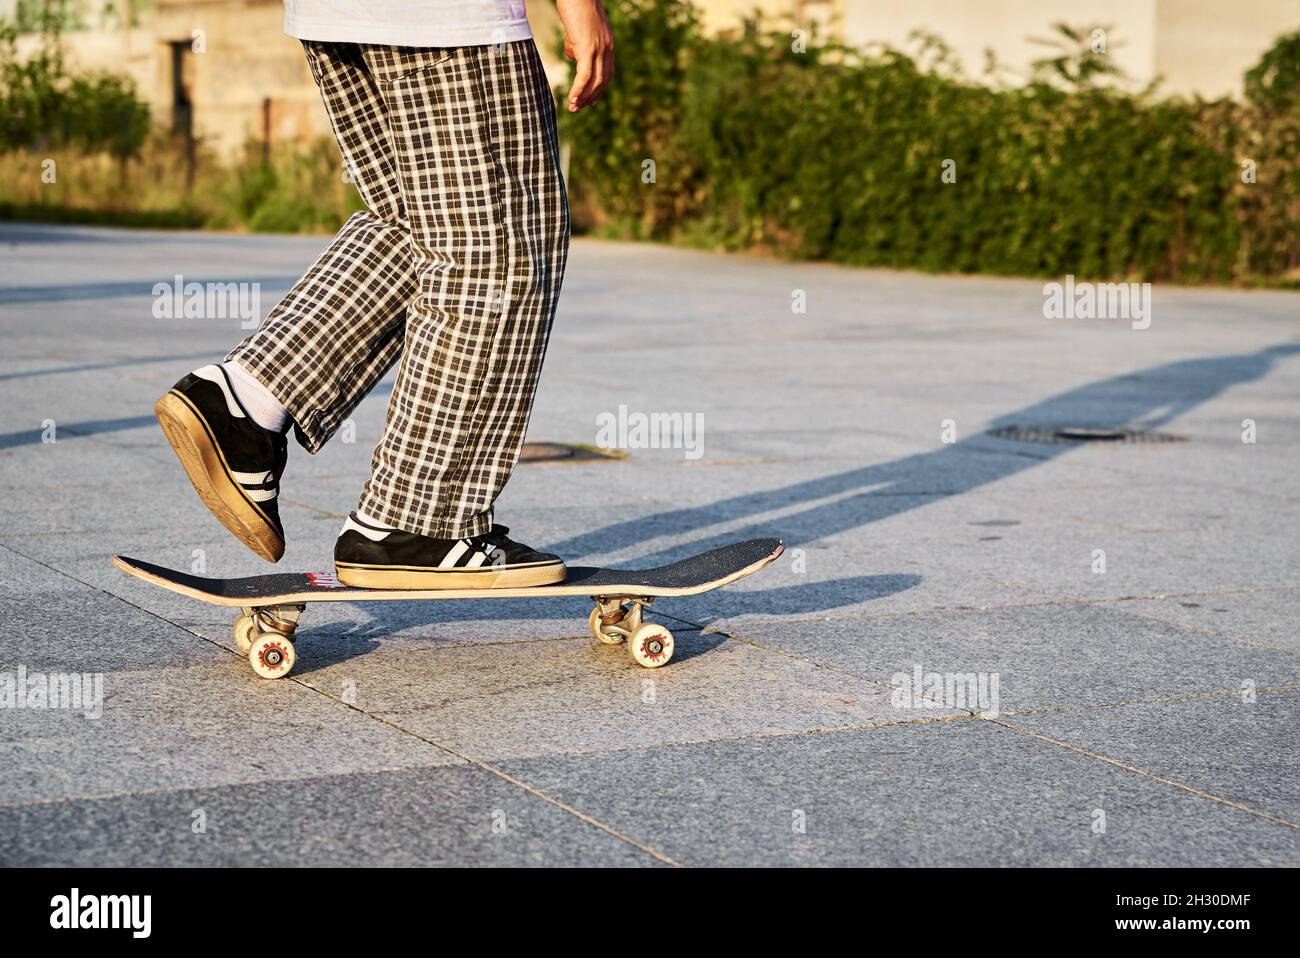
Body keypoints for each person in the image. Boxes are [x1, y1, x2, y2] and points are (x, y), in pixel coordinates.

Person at [153, 1, 614, 590]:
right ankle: (419, 523)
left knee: (420, 224)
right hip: (450, 23)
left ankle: (244, 400)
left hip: (337, 15)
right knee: (502, 251)